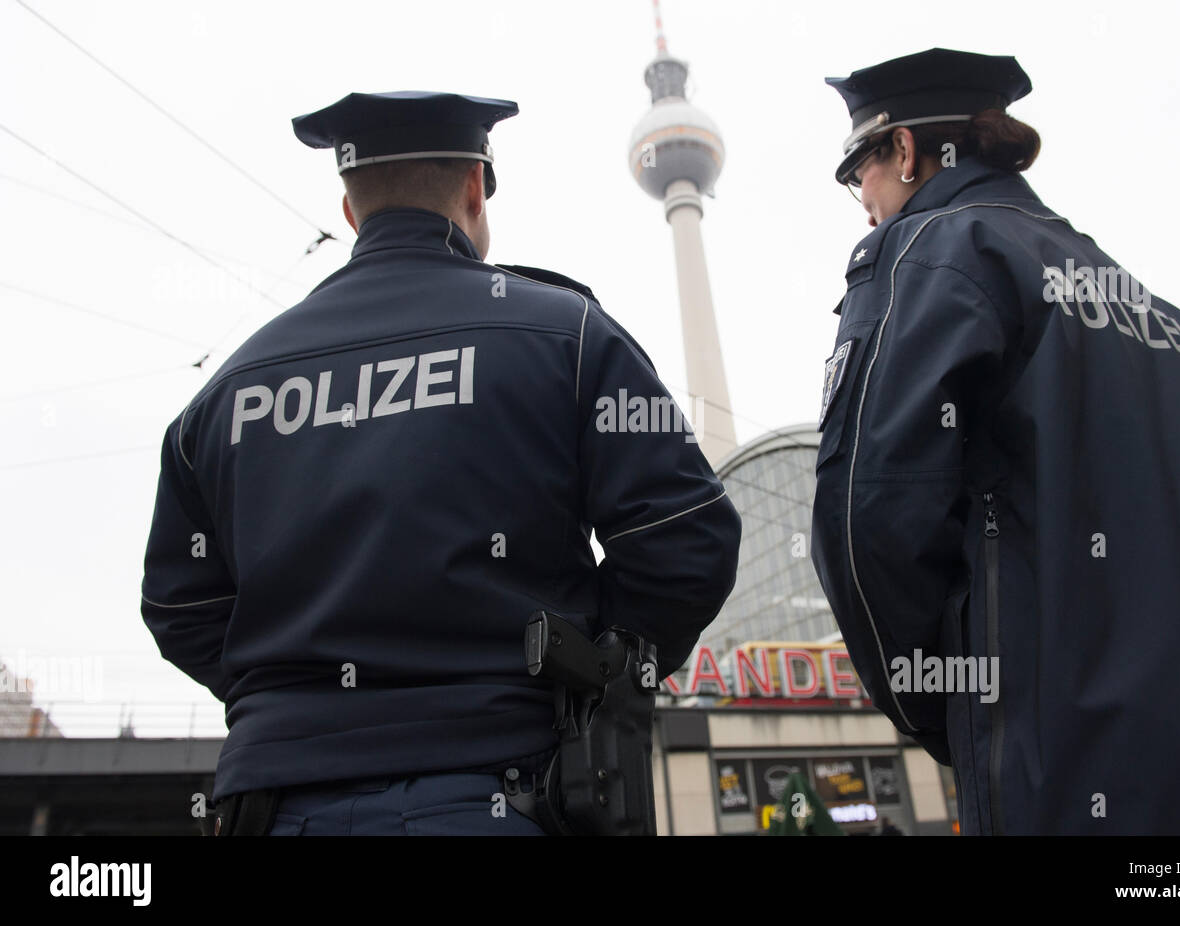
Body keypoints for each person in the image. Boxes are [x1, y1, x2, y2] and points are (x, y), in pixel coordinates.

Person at [139, 91, 742, 836]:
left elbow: (177, 605)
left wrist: (289, 697)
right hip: (506, 785)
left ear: (351, 211)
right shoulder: (566, 334)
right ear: (474, 188)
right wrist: (580, 666)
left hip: (276, 800)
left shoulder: (227, 389)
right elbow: (688, 537)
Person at [810, 49, 1180, 835]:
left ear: (903, 151)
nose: (859, 201)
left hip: (1065, 765)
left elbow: (869, 520)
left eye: (853, 173)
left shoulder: (926, 256)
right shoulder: (1149, 305)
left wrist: (947, 714)